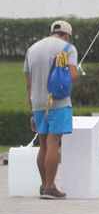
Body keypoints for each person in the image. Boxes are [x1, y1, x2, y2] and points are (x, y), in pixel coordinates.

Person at [24, 21, 78, 199]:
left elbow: (28, 84)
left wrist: (32, 110)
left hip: (38, 103)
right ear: (67, 35)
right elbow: (71, 76)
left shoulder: (32, 49)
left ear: (51, 32)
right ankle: (50, 187)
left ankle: (43, 185)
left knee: (43, 144)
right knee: (54, 142)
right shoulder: (68, 48)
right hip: (58, 102)